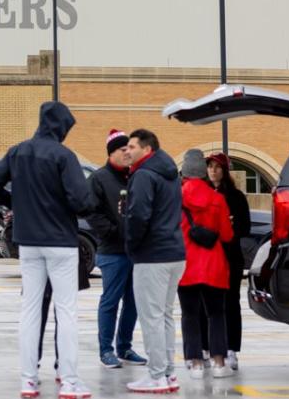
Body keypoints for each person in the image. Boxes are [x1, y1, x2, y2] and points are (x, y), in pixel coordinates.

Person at [0, 101, 97, 399]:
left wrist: (16, 203)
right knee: (67, 311)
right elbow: (81, 201)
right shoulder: (63, 156)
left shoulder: (17, 151)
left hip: (28, 241)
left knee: (30, 311)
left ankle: (28, 380)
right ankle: (69, 381)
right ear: (60, 126)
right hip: (60, 241)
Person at [122, 129, 185, 394]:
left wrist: (131, 245)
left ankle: (156, 375)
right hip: (174, 253)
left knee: (151, 318)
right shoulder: (170, 173)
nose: (127, 150)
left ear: (147, 150)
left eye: (132, 146)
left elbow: (139, 216)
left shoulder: (144, 175)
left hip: (152, 255)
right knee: (165, 315)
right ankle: (168, 373)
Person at [86, 129, 147, 369]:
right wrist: (111, 230)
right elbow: (90, 211)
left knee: (133, 302)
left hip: (137, 251)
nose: (128, 153)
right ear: (112, 153)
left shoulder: (135, 176)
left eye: (131, 149)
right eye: (124, 150)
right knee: (110, 301)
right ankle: (106, 350)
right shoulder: (99, 178)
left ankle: (125, 346)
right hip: (112, 251)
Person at [178, 149, 235, 379]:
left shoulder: (176, 198)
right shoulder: (217, 199)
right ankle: (220, 363)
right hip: (213, 264)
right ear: (203, 172)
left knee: (189, 314)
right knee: (216, 314)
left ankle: (195, 364)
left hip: (186, 265)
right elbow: (228, 236)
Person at [206, 152, 249, 371]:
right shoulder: (202, 193)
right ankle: (206, 348)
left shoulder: (236, 197)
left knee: (231, 302)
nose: (213, 170)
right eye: (210, 166)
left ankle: (232, 349)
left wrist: (229, 225)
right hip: (208, 256)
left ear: (224, 170)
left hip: (230, 255)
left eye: (217, 167)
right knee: (208, 303)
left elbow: (245, 228)